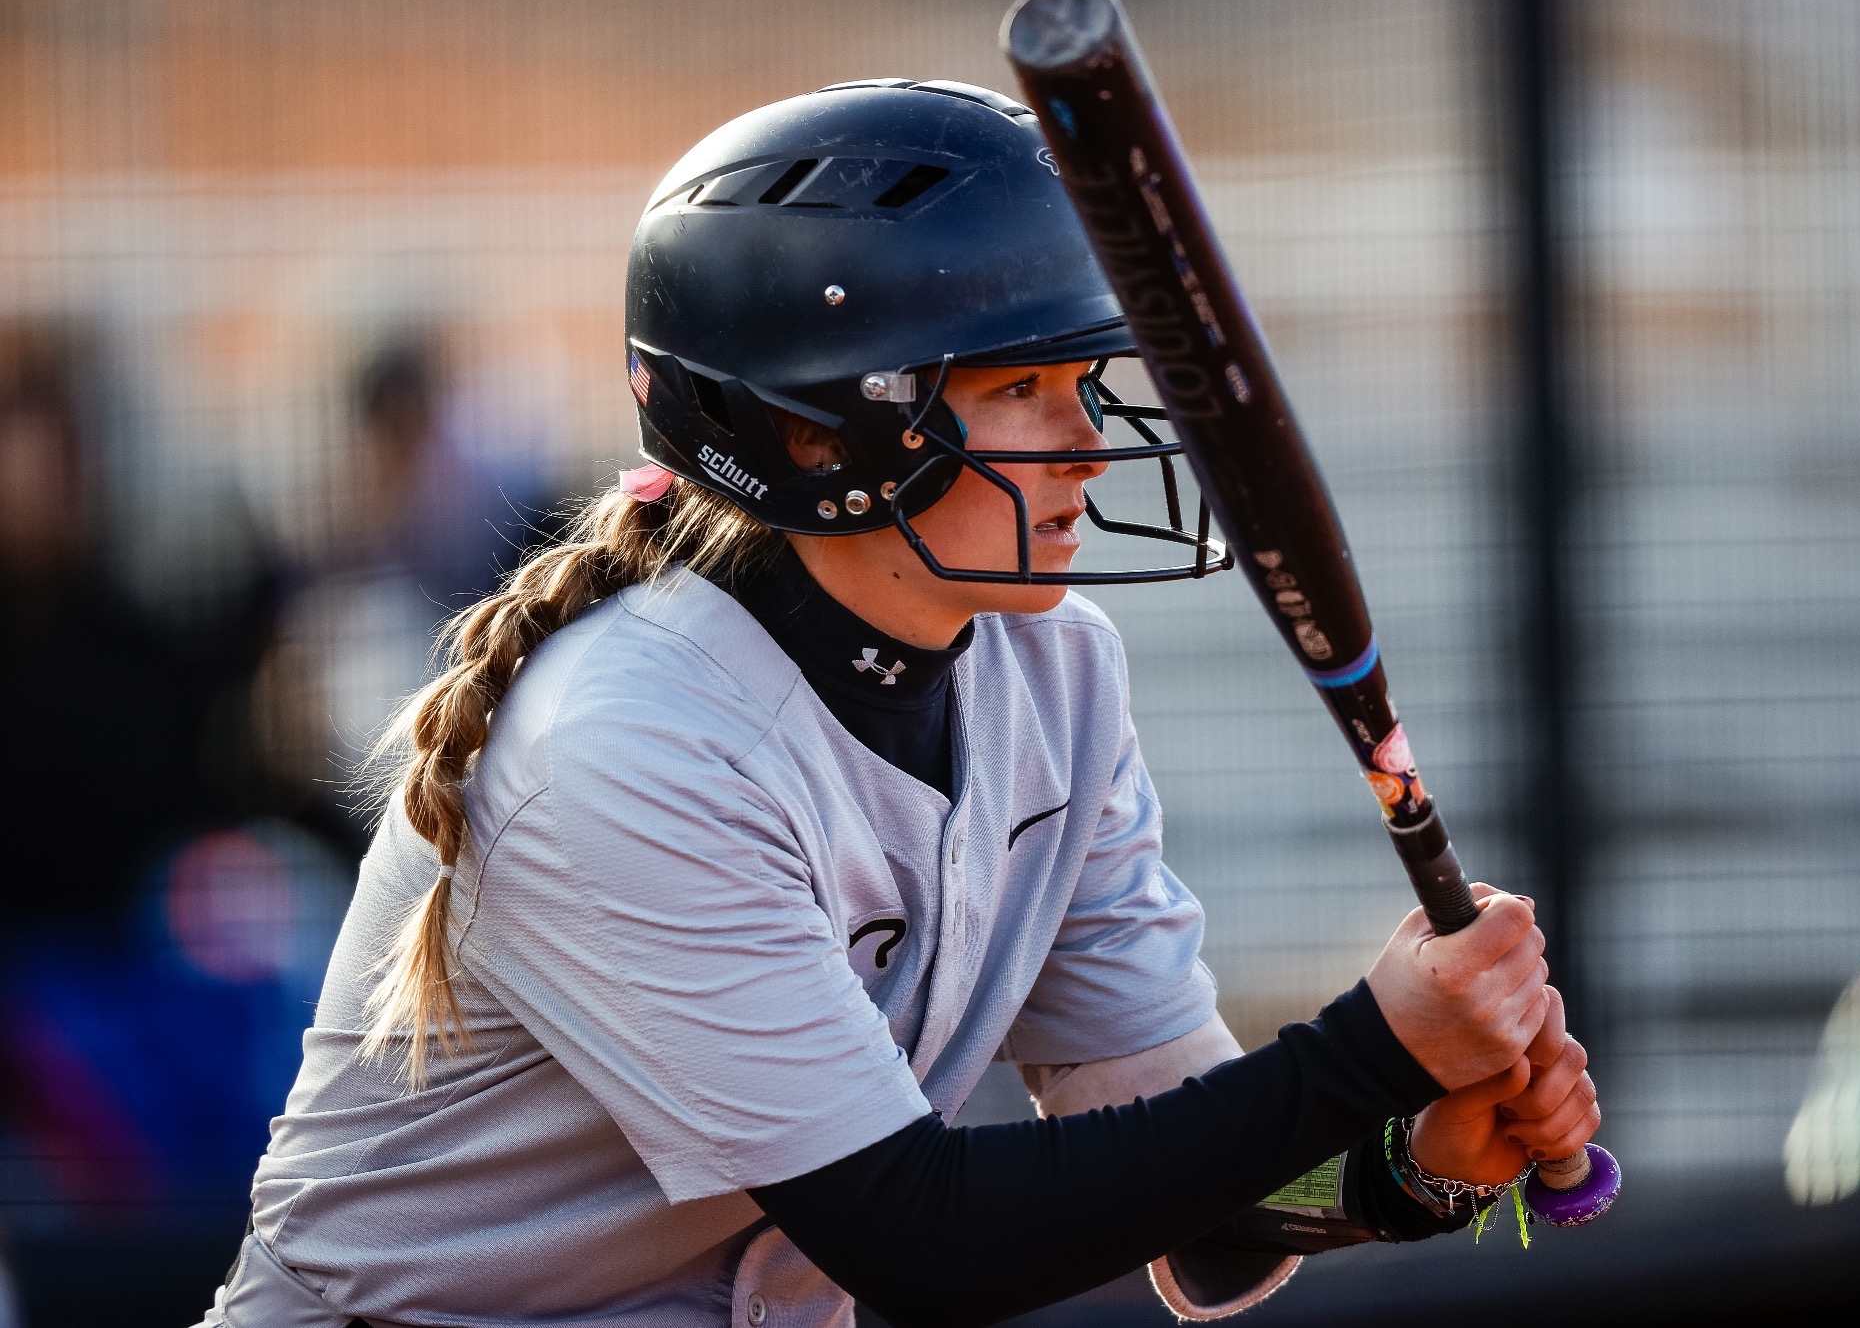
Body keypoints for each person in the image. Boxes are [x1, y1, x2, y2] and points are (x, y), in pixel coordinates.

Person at [201, 80, 1598, 1328]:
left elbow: (1187, 1162)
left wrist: (1406, 1160)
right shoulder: (625, 744)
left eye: (1081, 380)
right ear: (817, 434)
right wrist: (1367, 1048)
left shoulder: (1057, 674)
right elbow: (924, 1240)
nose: (1091, 446)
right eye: (1024, 386)